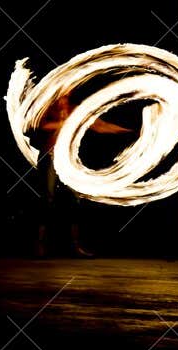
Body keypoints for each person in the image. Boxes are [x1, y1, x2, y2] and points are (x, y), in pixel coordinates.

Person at [31, 92, 126, 258]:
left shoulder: (76, 110)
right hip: (50, 159)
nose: (64, 98)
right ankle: (40, 245)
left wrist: (126, 131)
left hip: (68, 161)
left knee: (75, 199)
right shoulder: (48, 110)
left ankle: (75, 245)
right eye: (61, 95)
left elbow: (100, 126)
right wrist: (66, 123)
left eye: (67, 95)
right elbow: (41, 126)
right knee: (48, 199)